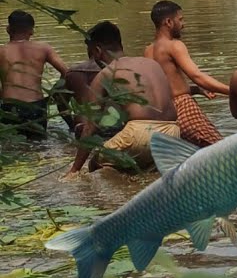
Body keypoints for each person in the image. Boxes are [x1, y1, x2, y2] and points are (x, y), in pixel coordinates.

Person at [65, 21, 179, 175]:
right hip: (172, 133)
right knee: (147, 172)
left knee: (95, 165)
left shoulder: (106, 73)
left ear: (97, 51)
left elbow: (90, 128)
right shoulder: (152, 64)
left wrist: (74, 170)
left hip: (139, 133)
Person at [145, 0, 230, 148]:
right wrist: (232, 91)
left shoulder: (148, 51)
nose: (183, 24)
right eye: (180, 19)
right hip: (184, 108)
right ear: (169, 22)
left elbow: (164, 88)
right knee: (223, 151)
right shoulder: (174, 45)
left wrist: (196, 90)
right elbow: (197, 76)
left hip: (163, 114)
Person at [0, 10, 68, 138]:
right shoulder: (43, 49)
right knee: (39, 144)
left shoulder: (1, 51)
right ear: (31, 31)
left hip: (10, 106)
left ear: (8, 29)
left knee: (11, 145)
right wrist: (55, 92)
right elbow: (67, 72)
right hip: (36, 106)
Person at [53, 22, 127, 139]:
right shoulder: (126, 70)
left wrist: (72, 126)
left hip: (82, 129)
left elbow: (60, 104)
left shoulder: (72, 73)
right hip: (116, 131)